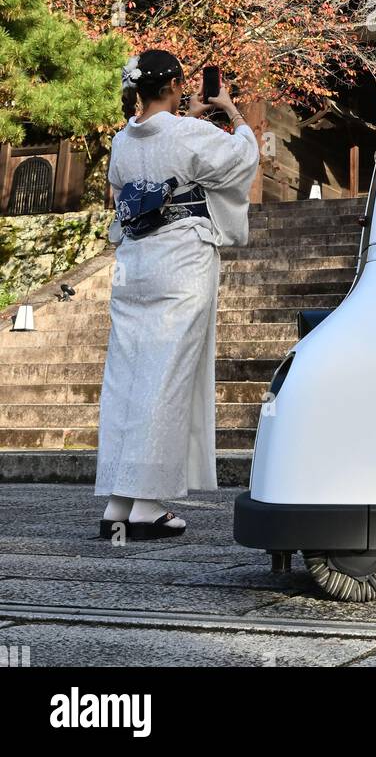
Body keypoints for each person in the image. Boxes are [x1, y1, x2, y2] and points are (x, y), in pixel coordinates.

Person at [95, 49, 260, 540]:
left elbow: (148, 157)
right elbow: (242, 158)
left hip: (136, 265)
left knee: (128, 378)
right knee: (166, 377)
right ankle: (145, 505)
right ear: (173, 86)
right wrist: (231, 112)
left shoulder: (121, 141)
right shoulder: (190, 132)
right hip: (182, 263)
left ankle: (118, 504)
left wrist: (187, 118)